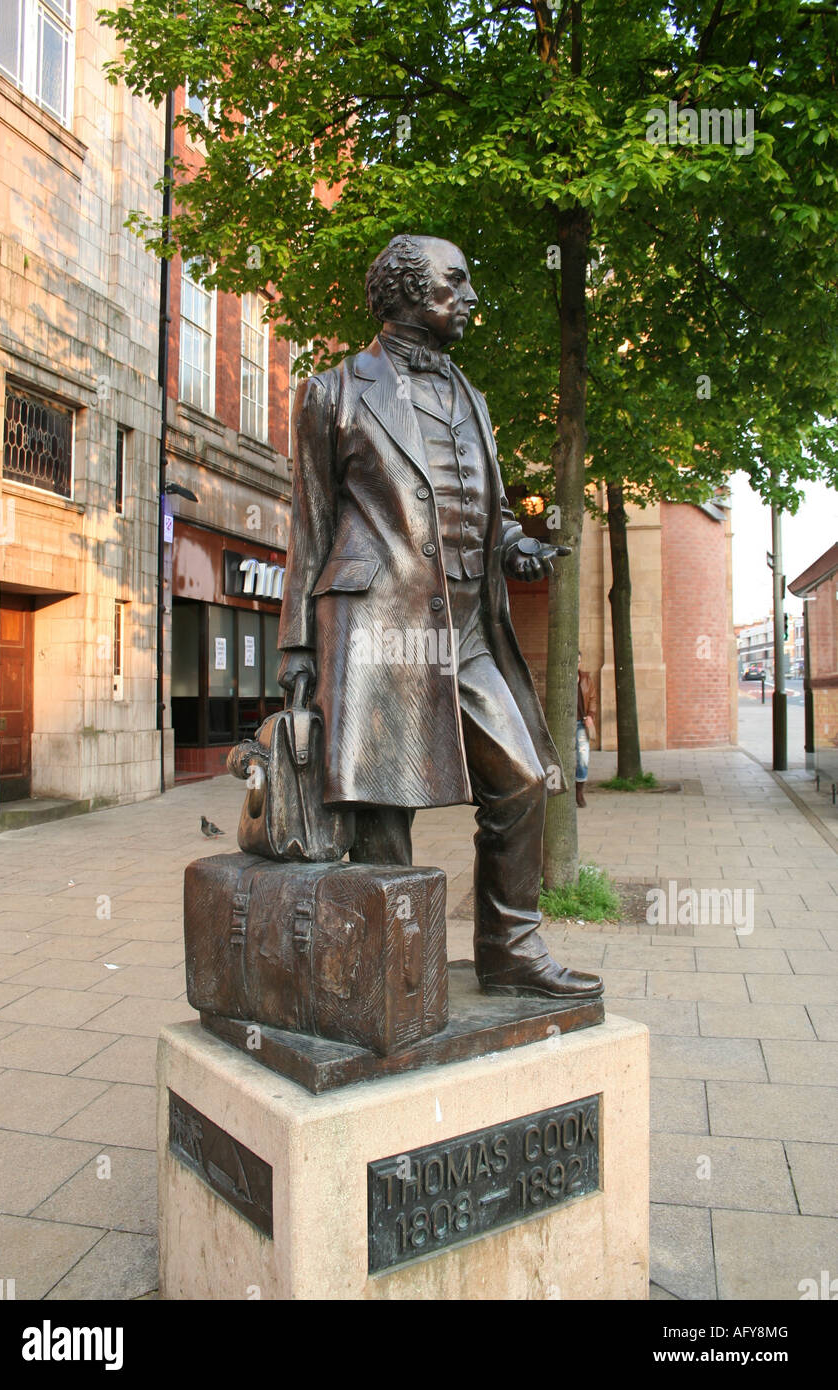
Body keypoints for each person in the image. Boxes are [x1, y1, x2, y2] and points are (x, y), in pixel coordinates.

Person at [277, 234, 602, 1001]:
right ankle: (393, 976)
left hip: (467, 626)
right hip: (376, 624)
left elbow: (477, 507)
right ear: (407, 292)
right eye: (457, 282)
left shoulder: (473, 398)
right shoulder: (334, 391)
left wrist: (516, 544)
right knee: (385, 808)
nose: (472, 296)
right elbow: (309, 524)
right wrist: (296, 645)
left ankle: (510, 949)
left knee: (522, 778)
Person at [575, 652, 597, 808]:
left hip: (581, 725)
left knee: (583, 759)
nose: (577, 664)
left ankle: (579, 792)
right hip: (565, 725)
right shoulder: (562, 679)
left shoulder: (586, 679)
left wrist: (591, 715)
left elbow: (593, 699)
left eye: (579, 661)